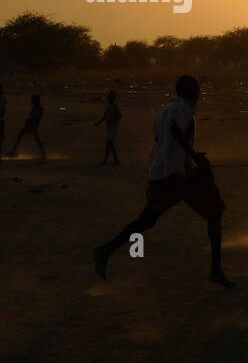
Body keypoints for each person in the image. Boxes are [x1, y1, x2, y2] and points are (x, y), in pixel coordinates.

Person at [93, 75, 233, 288]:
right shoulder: (183, 110)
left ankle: (105, 250)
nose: (198, 94)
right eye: (195, 90)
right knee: (214, 211)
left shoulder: (168, 109)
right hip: (178, 173)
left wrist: (190, 153)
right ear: (187, 92)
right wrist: (195, 158)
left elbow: (166, 135)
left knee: (148, 219)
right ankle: (215, 270)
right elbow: (175, 131)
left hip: (163, 169)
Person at [8, 94, 45, 160]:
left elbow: (36, 118)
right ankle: (43, 154)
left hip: (31, 125)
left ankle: (43, 154)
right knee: (34, 138)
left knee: (22, 137)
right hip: (31, 124)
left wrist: (31, 121)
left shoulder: (38, 108)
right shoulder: (38, 108)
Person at [94, 90, 122, 165]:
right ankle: (115, 160)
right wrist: (98, 123)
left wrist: (112, 121)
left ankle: (106, 160)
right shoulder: (108, 107)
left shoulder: (115, 107)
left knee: (108, 143)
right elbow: (105, 116)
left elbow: (119, 116)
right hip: (110, 127)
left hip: (113, 128)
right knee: (110, 144)